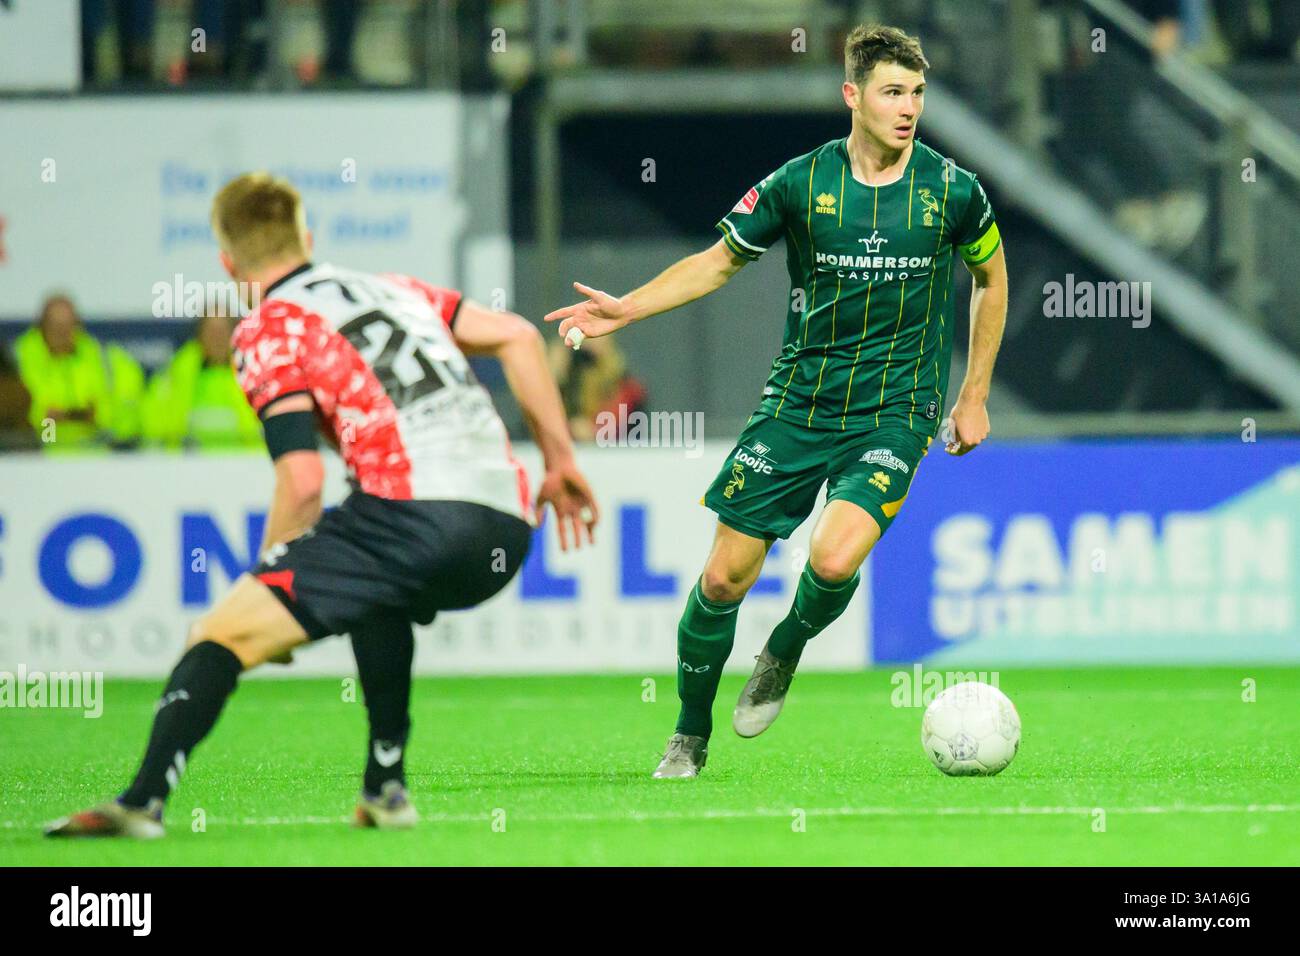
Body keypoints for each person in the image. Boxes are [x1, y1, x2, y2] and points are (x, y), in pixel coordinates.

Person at [46, 172, 598, 837]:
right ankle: (385, 788)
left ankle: (141, 803)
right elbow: (514, 334)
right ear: (307, 239)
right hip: (505, 526)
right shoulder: (395, 288)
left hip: (413, 513)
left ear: (227, 262)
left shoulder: (268, 326)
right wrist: (561, 461)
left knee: (218, 634)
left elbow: (302, 480)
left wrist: (271, 578)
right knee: (376, 596)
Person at [546, 24, 1008, 778]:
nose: (908, 108)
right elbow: (716, 263)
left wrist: (974, 393)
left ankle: (784, 649)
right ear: (852, 96)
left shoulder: (953, 191)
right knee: (726, 576)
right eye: (893, 92)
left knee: (832, 557)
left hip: (897, 411)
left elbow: (994, 279)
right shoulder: (801, 182)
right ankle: (689, 734)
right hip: (798, 407)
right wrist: (627, 308)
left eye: (918, 93)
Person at [13, 294, 144, 451]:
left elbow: (129, 410)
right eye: (56, 327)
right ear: (41, 326)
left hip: (97, 456)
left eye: (68, 326)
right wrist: (48, 420)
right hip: (33, 457)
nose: (63, 334)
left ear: (78, 325)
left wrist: (96, 415)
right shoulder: (18, 359)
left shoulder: (103, 357)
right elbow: (12, 412)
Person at [142, 308, 263, 451]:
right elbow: (151, 429)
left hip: (245, 465)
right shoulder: (174, 376)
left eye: (223, 332)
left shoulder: (255, 375)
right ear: (200, 336)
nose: (218, 339)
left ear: (234, 334)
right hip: (186, 466)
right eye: (212, 332)